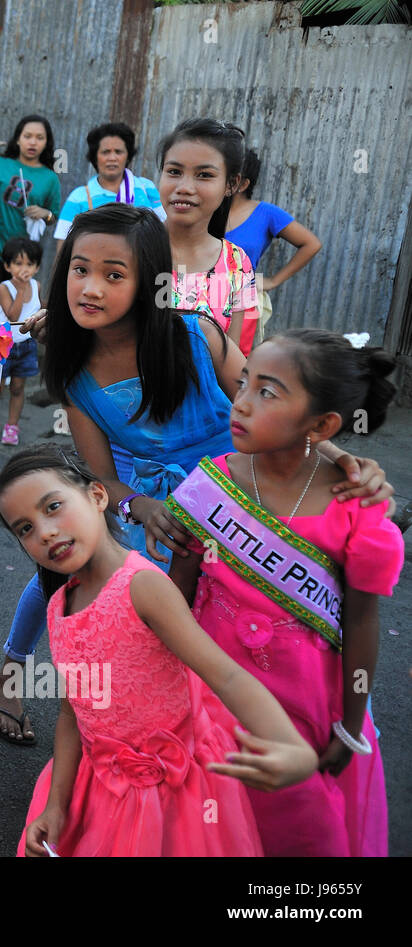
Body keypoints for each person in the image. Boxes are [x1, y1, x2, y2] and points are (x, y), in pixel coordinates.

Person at [0, 204, 391, 748]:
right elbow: (104, 477)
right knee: (71, 570)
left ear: (151, 282)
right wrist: (137, 508)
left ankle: (236, 730)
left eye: (114, 274)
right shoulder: (73, 373)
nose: (91, 288)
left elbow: (272, 404)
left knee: (232, 624)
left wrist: (339, 456)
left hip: (239, 497)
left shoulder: (196, 334)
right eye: (79, 270)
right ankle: (14, 675)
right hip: (151, 507)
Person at [0, 446, 318, 856]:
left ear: (97, 496)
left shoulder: (142, 586)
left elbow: (225, 675)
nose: (44, 532)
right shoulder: (59, 606)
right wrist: (56, 805)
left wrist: (288, 744)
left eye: (53, 507)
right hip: (96, 788)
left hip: (175, 794)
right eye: (24, 528)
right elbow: (72, 713)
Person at [169, 331, 401, 856]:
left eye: (268, 392)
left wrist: (350, 724)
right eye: (244, 381)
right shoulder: (212, 481)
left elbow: (361, 625)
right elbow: (176, 591)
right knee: (204, 814)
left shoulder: (357, 513)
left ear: (322, 426)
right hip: (204, 686)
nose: (242, 402)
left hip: (304, 702)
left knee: (287, 821)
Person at [160, 118, 257, 355]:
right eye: (174, 171)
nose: (184, 186)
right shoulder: (128, 247)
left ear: (231, 185)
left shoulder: (236, 263)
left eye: (204, 175)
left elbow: (232, 360)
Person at [0, 115, 60, 323]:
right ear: (18, 139)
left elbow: (54, 216)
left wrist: (45, 213)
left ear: (46, 142)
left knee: (15, 310)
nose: (33, 142)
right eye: (27, 136)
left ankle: (12, 352)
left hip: (20, 253)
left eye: (39, 137)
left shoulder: (50, 177)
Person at [224, 149, 322, 343]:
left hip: (244, 302)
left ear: (242, 184)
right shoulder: (205, 209)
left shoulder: (267, 213)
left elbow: (311, 244)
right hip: (201, 298)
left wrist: (273, 281)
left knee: (233, 363)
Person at [53, 122, 164, 263]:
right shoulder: (79, 197)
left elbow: (163, 230)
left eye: (118, 152)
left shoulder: (145, 187)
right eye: (106, 152)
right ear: (95, 157)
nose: (112, 158)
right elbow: (63, 248)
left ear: (127, 156)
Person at [0, 236, 41, 446]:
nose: (24, 269)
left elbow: (38, 308)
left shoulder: (37, 285)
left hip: (27, 344)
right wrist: (21, 289)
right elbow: (13, 316)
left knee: (18, 388)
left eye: (30, 264)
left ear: (37, 267)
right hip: (3, 342)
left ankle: (11, 427)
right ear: (7, 266)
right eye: (18, 263)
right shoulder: (5, 288)